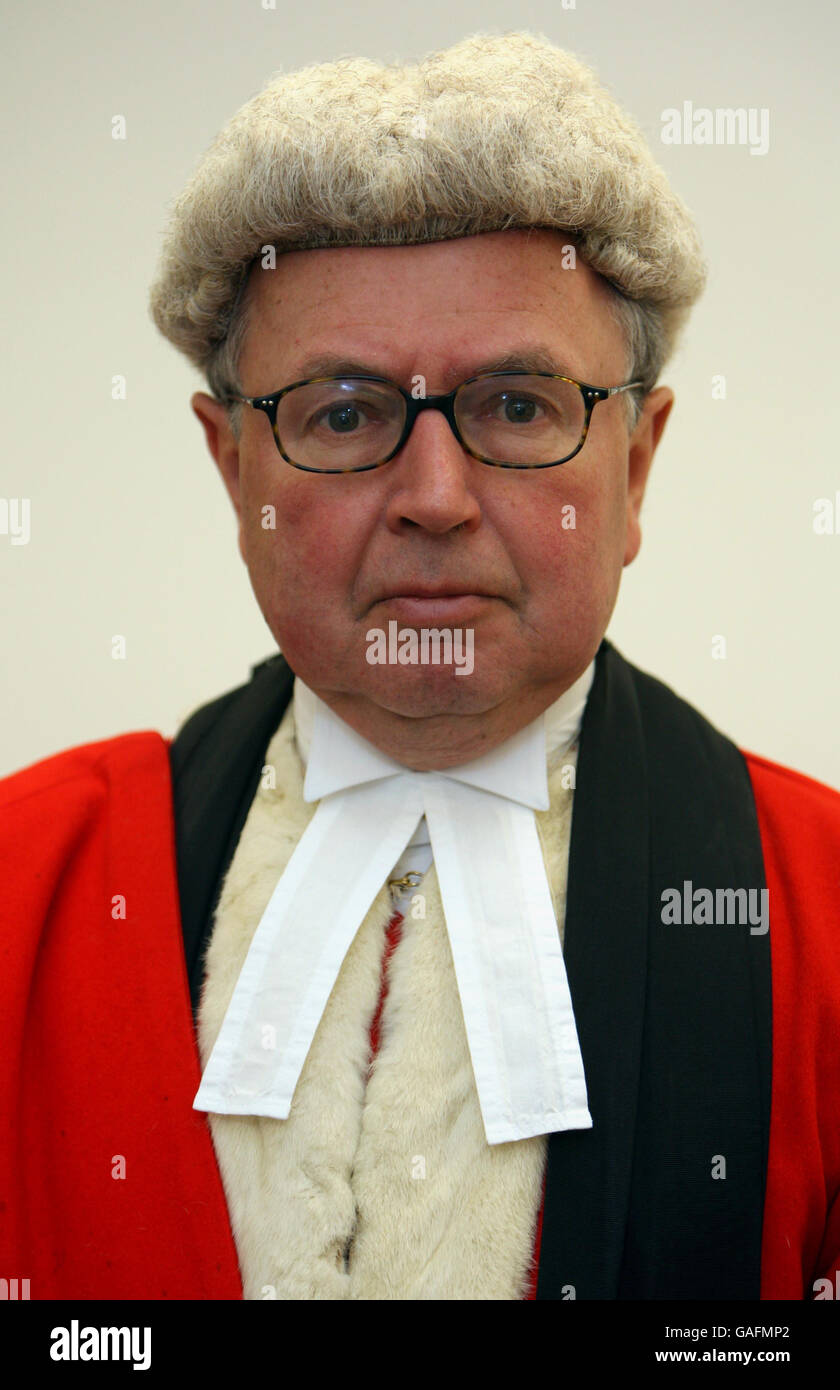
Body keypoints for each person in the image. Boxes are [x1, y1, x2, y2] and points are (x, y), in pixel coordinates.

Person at [2, 29, 839, 1303]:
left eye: (517, 404)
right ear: (235, 471)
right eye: (344, 412)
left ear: (635, 463)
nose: (436, 497)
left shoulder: (822, 902)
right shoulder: (26, 881)